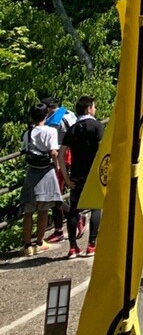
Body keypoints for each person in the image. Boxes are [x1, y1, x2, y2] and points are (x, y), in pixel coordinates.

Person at [19, 104, 63, 257]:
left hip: (32, 172)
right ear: (46, 115)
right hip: (46, 172)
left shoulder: (28, 132)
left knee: (28, 210)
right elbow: (53, 152)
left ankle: (27, 245)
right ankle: (39, 243)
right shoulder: (51, 131)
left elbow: (25, 149)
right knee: (43, 209)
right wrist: (57, 166)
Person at [63, 95, 103, 259]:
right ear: (88, 109)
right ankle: (91, 244)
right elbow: (102, 149)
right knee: (96, 207)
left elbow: (61, 154)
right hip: (93, 173)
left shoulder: (72, 129)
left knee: (74, 209)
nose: (95, 109)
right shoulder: (96, 126)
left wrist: (66, 178)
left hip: (76, 175)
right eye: (94, 106)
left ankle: (72, 247)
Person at [41, 97, 76, 242]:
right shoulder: (68, 113)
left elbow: (54, 146)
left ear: (49, 108)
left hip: (60, 159)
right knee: (57, 193)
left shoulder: (55, 122)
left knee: (56, 194)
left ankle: (62, 227)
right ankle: (61, 226)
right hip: (68, 156)